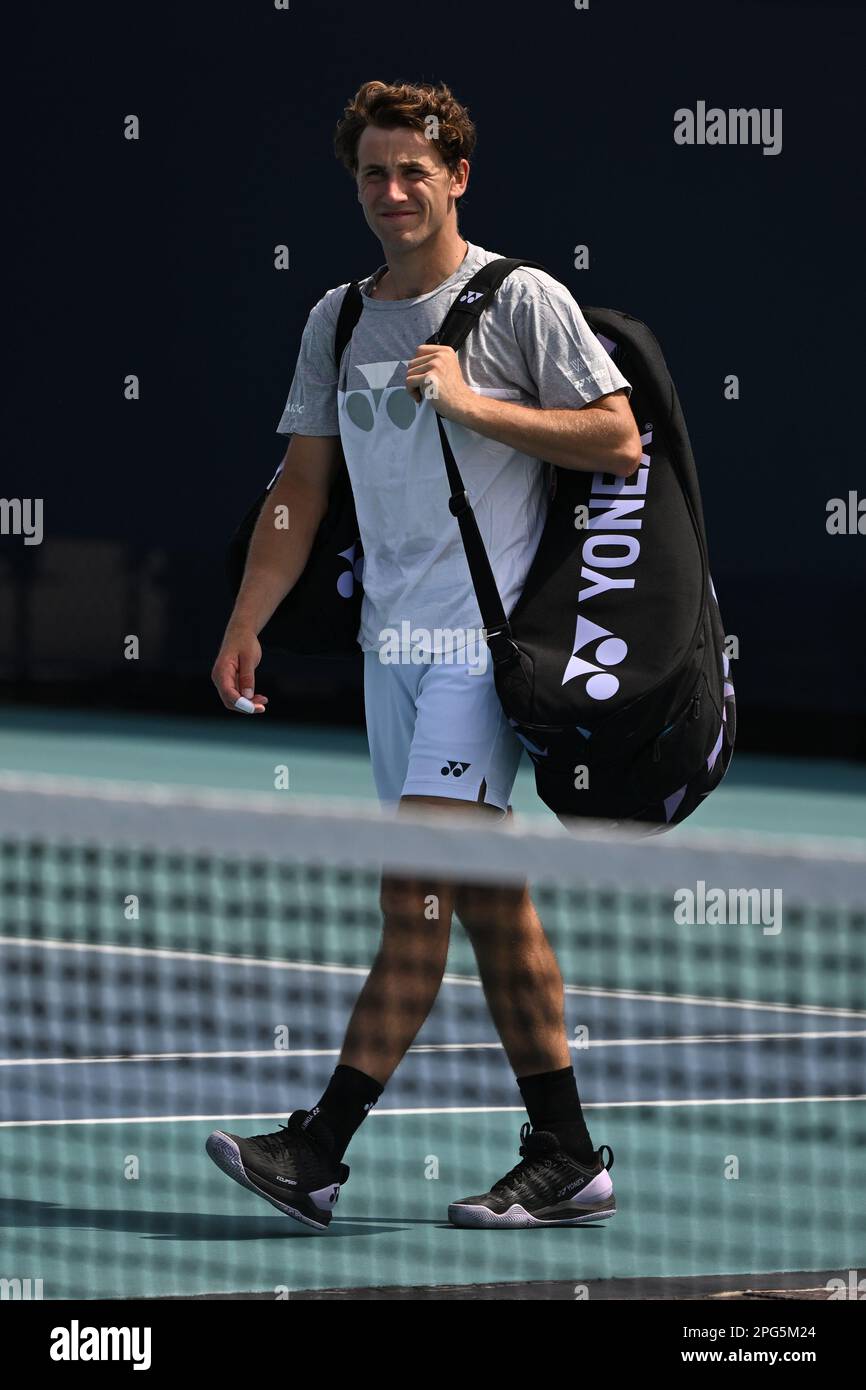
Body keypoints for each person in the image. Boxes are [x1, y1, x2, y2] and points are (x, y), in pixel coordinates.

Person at [208, 78, 640, 1230]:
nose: (393, 191)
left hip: (479, 651)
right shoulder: (336, 320)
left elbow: (616, 437)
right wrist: (250, 613)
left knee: (416, 901)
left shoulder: (519, 298)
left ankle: (318, 1148)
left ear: (457, 176)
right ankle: (566, 1153)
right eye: (372, 173)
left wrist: (471, 401)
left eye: (415, 170)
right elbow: (300, 484)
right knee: (488, 909)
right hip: (386, 650)